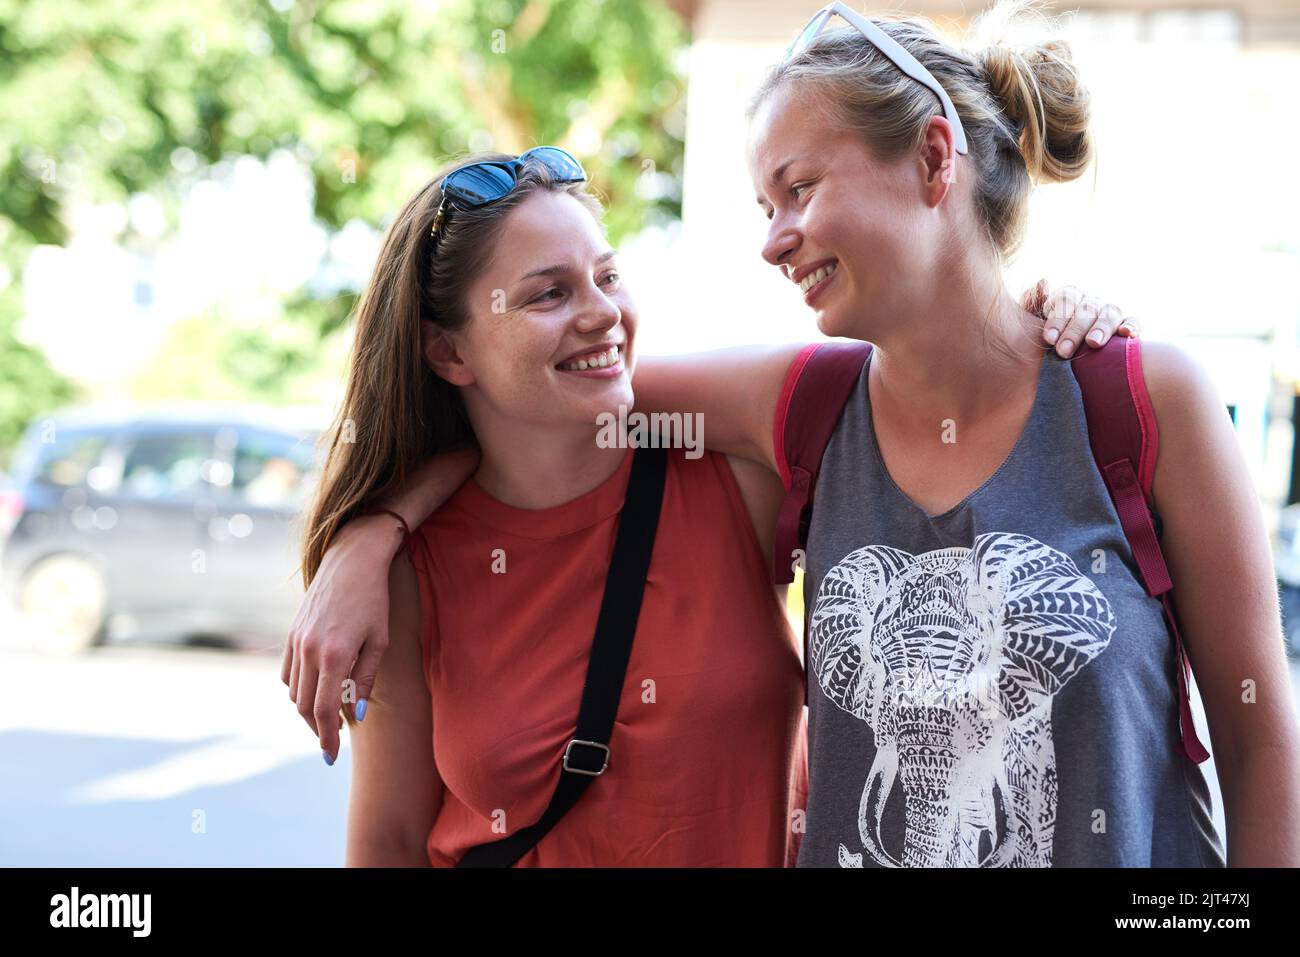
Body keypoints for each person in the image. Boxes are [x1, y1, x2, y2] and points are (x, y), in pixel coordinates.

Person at [285, 21, 1150, 869]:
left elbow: (941, 366)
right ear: (449, 351)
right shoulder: (407, 578)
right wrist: (375, 533)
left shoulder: (735, 467)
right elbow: (391, 844)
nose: (600, 313)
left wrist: (1045, 314)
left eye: (609, 275)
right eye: (547, 293)